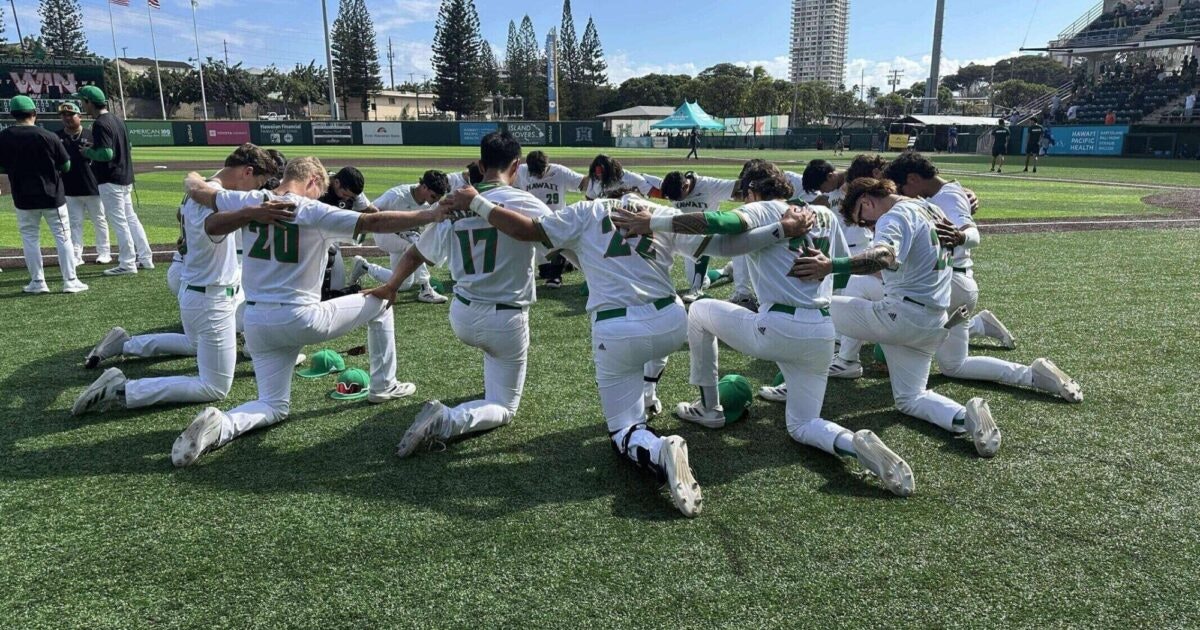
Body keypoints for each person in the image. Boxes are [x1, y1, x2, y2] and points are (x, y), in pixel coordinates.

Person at [452, 188, 814, 515]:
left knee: (624, 431)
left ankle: (658, 449)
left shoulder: (586, 212)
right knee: (658, 342)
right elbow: (724, 246)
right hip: (671, 321)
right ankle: (649, 392)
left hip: (618, 329)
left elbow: (525, 230)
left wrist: (477, 202)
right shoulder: (653, 212)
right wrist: (779, 230)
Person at [613, 165, 917, 497]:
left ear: (753, 192)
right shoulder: (822, 214)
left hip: (778, 328)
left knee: (699, 310)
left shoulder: (763, 208)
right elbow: (842, 273)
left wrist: (652, 222)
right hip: (821, 332)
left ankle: (709, 408)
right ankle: (853, 444)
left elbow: (719, 223)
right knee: (803, 425)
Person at [169, 156, 439, 467]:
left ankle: (222, 425)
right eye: (318, 189)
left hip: (255, 320)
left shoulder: (252, 200)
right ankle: (384, 385)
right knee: (381, 300)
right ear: (311, 181)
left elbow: (199, 195)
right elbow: (372, 222)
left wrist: (245, 212)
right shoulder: (311, 208)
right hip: (301, 317)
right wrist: (430, 214)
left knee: (273, 404)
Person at [792, 177, 1002, 458]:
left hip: (901, 316)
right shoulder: (930, 209)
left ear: (867, 201)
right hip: (933, 320)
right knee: (911, 398)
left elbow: (881, 256)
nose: (867, 226)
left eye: (863, 220)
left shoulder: (894, 216)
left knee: (817, 309)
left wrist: (831, 266)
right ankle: (967, 418)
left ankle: (797, 381)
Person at [376, 132, 552, 458]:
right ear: (516, 166)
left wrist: (392, 285)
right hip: (505, 317)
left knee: (494, 359)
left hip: (463, 313)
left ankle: (483, 392)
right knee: (504, 406)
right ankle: (448, 419)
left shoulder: (453, 204)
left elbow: (415, 252)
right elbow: (558, 241)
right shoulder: (524, 201)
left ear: (481, 165)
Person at [73, 144, 282, 416]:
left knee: (194, 344)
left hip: (195, 290)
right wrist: (254, 211)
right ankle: (122, 389)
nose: (253, 190)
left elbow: (192, 200)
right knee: (215, 387)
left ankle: (125, 344)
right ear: (247, 171)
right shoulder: (214, 201)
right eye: (257, 182)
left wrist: (195, 181)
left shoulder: (200, 192)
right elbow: (218, 222)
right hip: (211, 297)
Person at [883, 153, 1082, 404]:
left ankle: (858, 357)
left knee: (882, 296)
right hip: (958, 284)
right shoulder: (945, 194)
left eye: (901, 188)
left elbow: (972, 233)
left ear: (913, 178)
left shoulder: (948, 196)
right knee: (955, 364)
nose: (901, 196)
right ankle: (1033, 375)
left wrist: (961, 237)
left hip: (947, 284)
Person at [0, 95, 87, 294]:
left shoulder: (4, 137)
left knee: (30, 238)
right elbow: (66, 165)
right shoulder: (48, 136)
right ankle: (70, 281)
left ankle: (38, 282)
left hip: (22, 196)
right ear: (34, 113)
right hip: (51, 195)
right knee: (63, 237)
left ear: (13, 114)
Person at [75, 86, 154, 276]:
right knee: (131, 219)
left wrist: (88, 152)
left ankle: (127, 263)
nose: (82, 105)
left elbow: (107, 153)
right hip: (125, 177)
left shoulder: (100, 123)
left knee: (120, 222)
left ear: (89, 102)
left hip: (111, 179)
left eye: (83, 102)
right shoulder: (116, 119)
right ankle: (145, 258)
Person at [348, 169, 450, 302]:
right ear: (424, 186)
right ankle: (426, 289)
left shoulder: (431, 200)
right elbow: (372, 212)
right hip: (383, 235)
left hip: (404, 237)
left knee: (403, 283)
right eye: (433, 196)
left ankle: (364, 266)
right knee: (414, 245)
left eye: (437, 198)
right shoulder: (397, 196)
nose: (434, 201)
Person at [659, 170, 738, 304]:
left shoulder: (709, 185)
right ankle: (726, 271)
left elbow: (737, 185)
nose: (676, 201)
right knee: (703, 279)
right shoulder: (673, 187)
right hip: (686, 236)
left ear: (685, 186)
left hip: (708, 232)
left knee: (701, 237)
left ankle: (697, 289)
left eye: (678, 197)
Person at [512, 150, 586, 289]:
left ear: (547, 165)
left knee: (557, 253)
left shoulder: (560, 171)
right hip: (535, 224)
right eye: (535, 173)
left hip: (557, 222)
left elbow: (582, 182)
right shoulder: (521, 172)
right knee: (545, 272)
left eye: (541, 171)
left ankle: (557, 275)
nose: (539, 176)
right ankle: (566, 264)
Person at [56, 102, 110, 267]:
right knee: (74, 223)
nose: (67, 118)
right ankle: (76, 255)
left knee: (99, 220)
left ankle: (104, 253)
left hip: (93, 187)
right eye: (64, 115)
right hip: (70, 188)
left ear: (79, 116)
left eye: (71, 115)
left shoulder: (92, 134)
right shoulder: (57, 137)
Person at [583, 154, 662, 200]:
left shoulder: (631, 178)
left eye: (601, 175)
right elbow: (590, 200)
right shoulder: (593, 179)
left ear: (609, 173)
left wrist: (672, 196)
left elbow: (654, 192)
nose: (598, 178)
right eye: (596, 174)